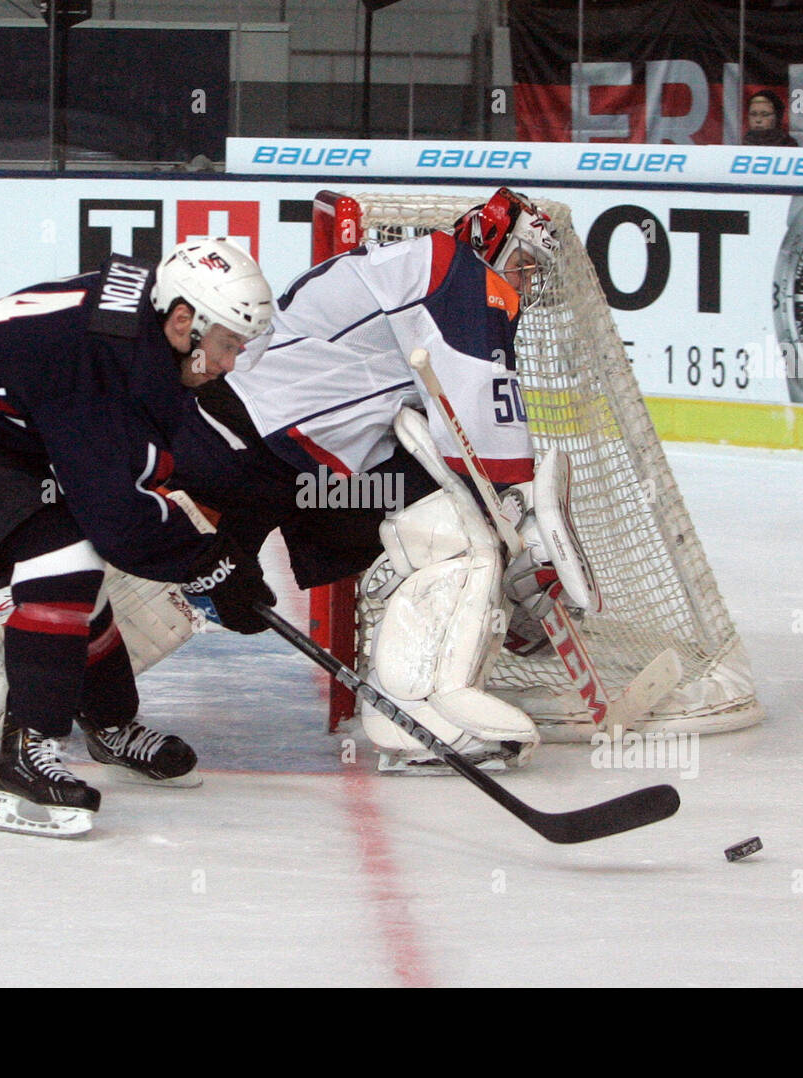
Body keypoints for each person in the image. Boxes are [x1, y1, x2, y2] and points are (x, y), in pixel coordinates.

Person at [0, 239, 275, 838]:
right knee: (62, 556)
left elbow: (155, 454)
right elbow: (120, 519)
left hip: (4, 429)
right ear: (185, 321)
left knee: (72, 565)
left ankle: (108, 723)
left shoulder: (150, 325)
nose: (232, 362)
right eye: (228, 345)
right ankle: (23, 759)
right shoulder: (95, 366)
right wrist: (212, 566)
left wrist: (220, 547)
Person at [167, 188, 564, 773]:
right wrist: (526, 532)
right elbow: (486, 443)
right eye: (523, 263)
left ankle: (71, 664)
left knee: (435, 513)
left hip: (295, 468)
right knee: (458, 519)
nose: (527, 282)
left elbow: (442, 431)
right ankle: (420, 707)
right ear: (488, 239)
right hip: (249, 441)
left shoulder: (422, 283)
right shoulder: (449, 269)